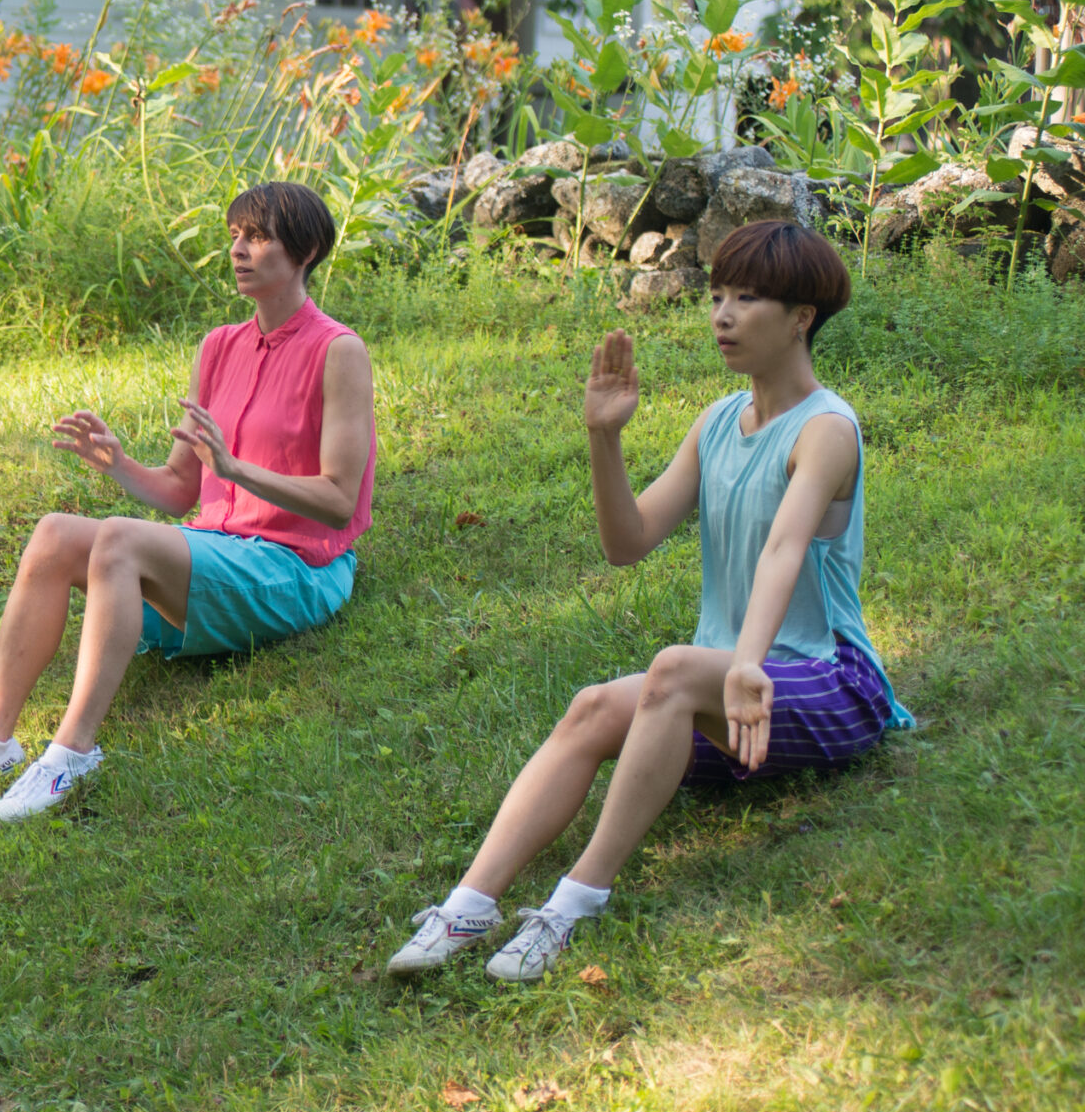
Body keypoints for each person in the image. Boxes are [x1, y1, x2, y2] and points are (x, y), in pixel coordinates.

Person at [388, 220, 912, 983]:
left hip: (827, 685)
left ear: (802, 317)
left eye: (749, 297)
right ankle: (469, 904)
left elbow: (784, 548)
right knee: (594, 706)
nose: (723, 314)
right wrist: (604, 437)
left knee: (671, 670)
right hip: (731, 690)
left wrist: (743, 664)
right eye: (717, 295)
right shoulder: (717, 423)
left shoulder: (827, 429)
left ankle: (572, 905)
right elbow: (627, 541)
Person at [0, 181, 376, 824]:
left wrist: (236, 469)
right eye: (234, 237)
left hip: (295, 567)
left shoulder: (339, 352)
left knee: (118, 539)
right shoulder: (218, 347)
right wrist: (118, 463)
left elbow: (337, 501)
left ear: (303, 251)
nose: (239, 251)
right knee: (55, 531)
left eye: (257, 237)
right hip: (216, 549)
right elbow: (179, 491)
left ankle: (71, 755)